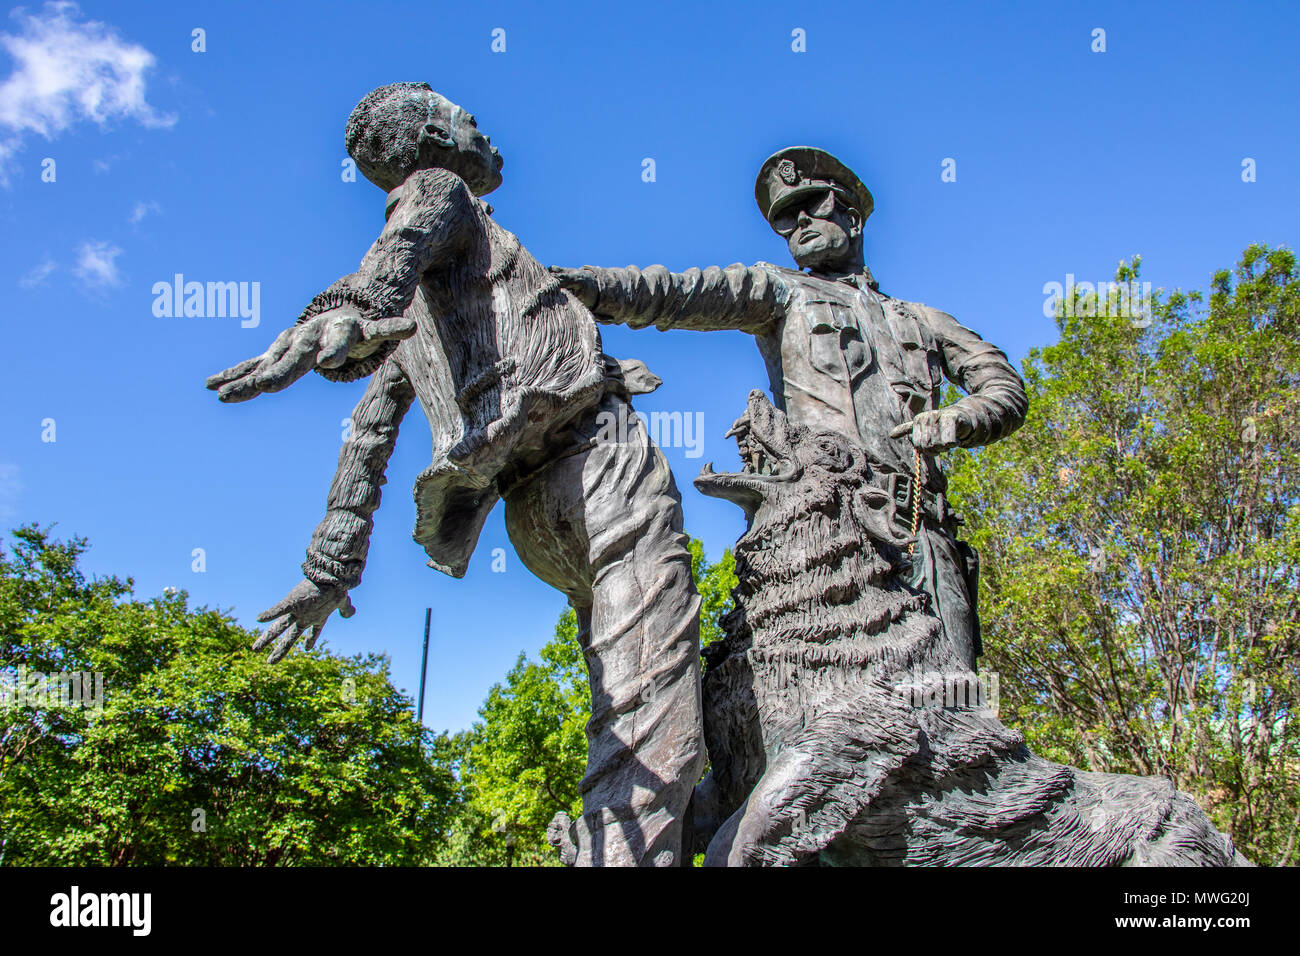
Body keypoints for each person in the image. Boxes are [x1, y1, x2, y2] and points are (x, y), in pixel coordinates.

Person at [205, 83, 705, 867]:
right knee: (655, 695)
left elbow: (368, 436)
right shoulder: (443, 197)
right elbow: (397, 252)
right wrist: (350, 308)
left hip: (527, 512)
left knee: (625, 679)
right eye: (470, 116)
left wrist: (329, 569)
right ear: (438, 131)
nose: (486, 130)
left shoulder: (438, 304)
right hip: (594, 461)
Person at [550, 147, 1028, 670]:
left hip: (921, 532)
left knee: (956, 703)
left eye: (813, 205)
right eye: (784, 216)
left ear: (853, 214)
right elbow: (680, 294)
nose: (798, 221)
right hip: (828, 522)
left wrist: (960, 418)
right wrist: (590, 287)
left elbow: (1005, 389)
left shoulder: (925, 320)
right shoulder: (779, 289)